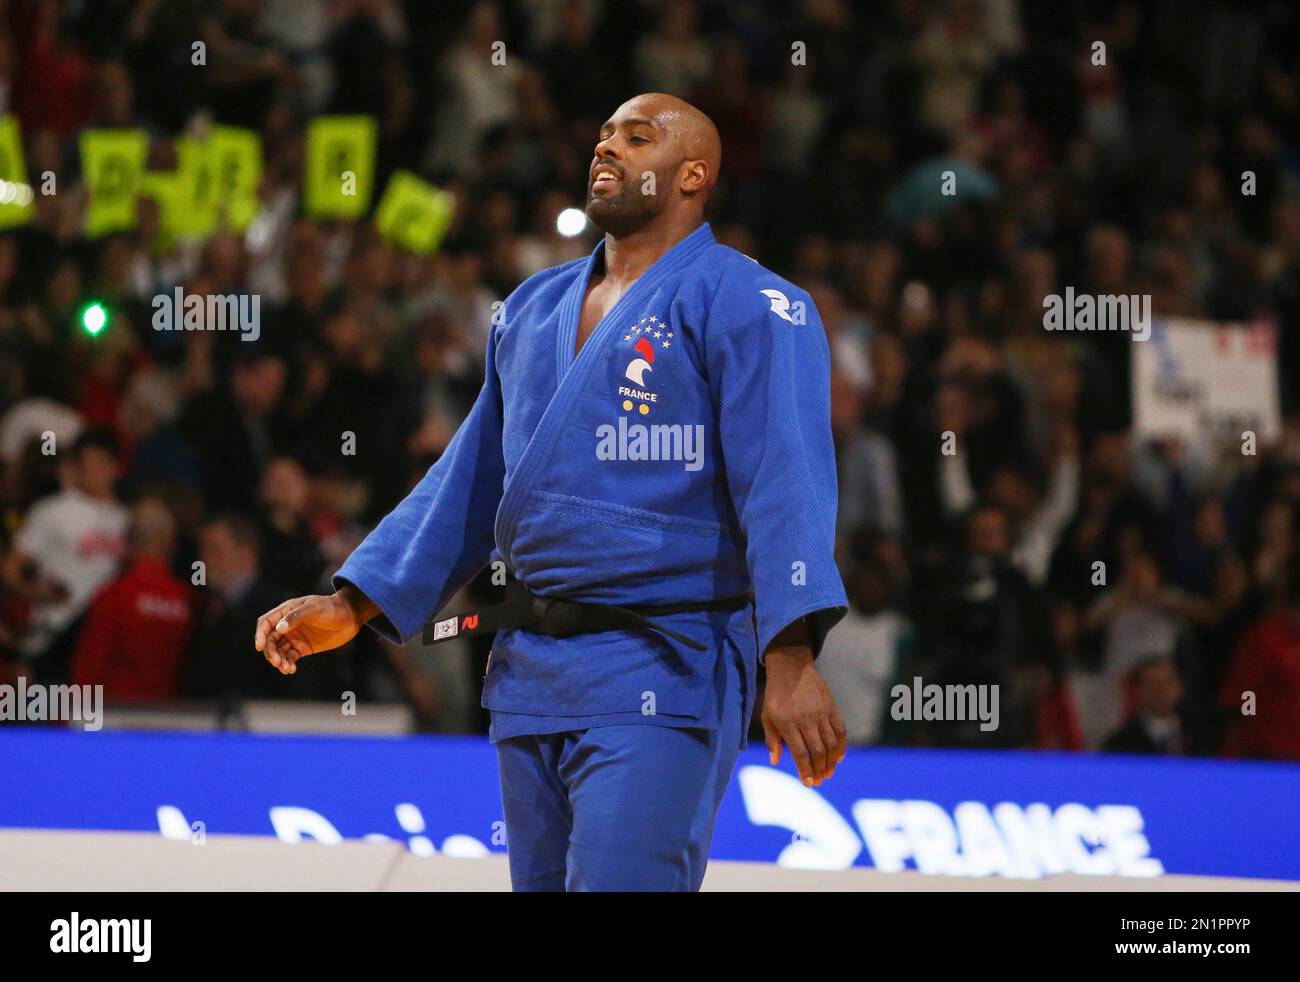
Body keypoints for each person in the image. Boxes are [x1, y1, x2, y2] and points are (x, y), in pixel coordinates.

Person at [256, 93, 848, 891]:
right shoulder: (531, 307)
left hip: (665, 662)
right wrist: (354, 603)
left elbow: (785, 478)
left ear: (693, 176)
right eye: (602, 136)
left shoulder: (749, 301)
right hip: (532, 671)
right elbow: (470, 480)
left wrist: (791, 655)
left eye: (637, 139)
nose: (607, 150)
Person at [70, 498, 192, 701]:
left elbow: (90, 665)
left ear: (128, 541)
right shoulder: (188, 600)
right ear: (170, 543)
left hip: (115, 717)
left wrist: (68, 720)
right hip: (171, 719)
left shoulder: (113, 596)